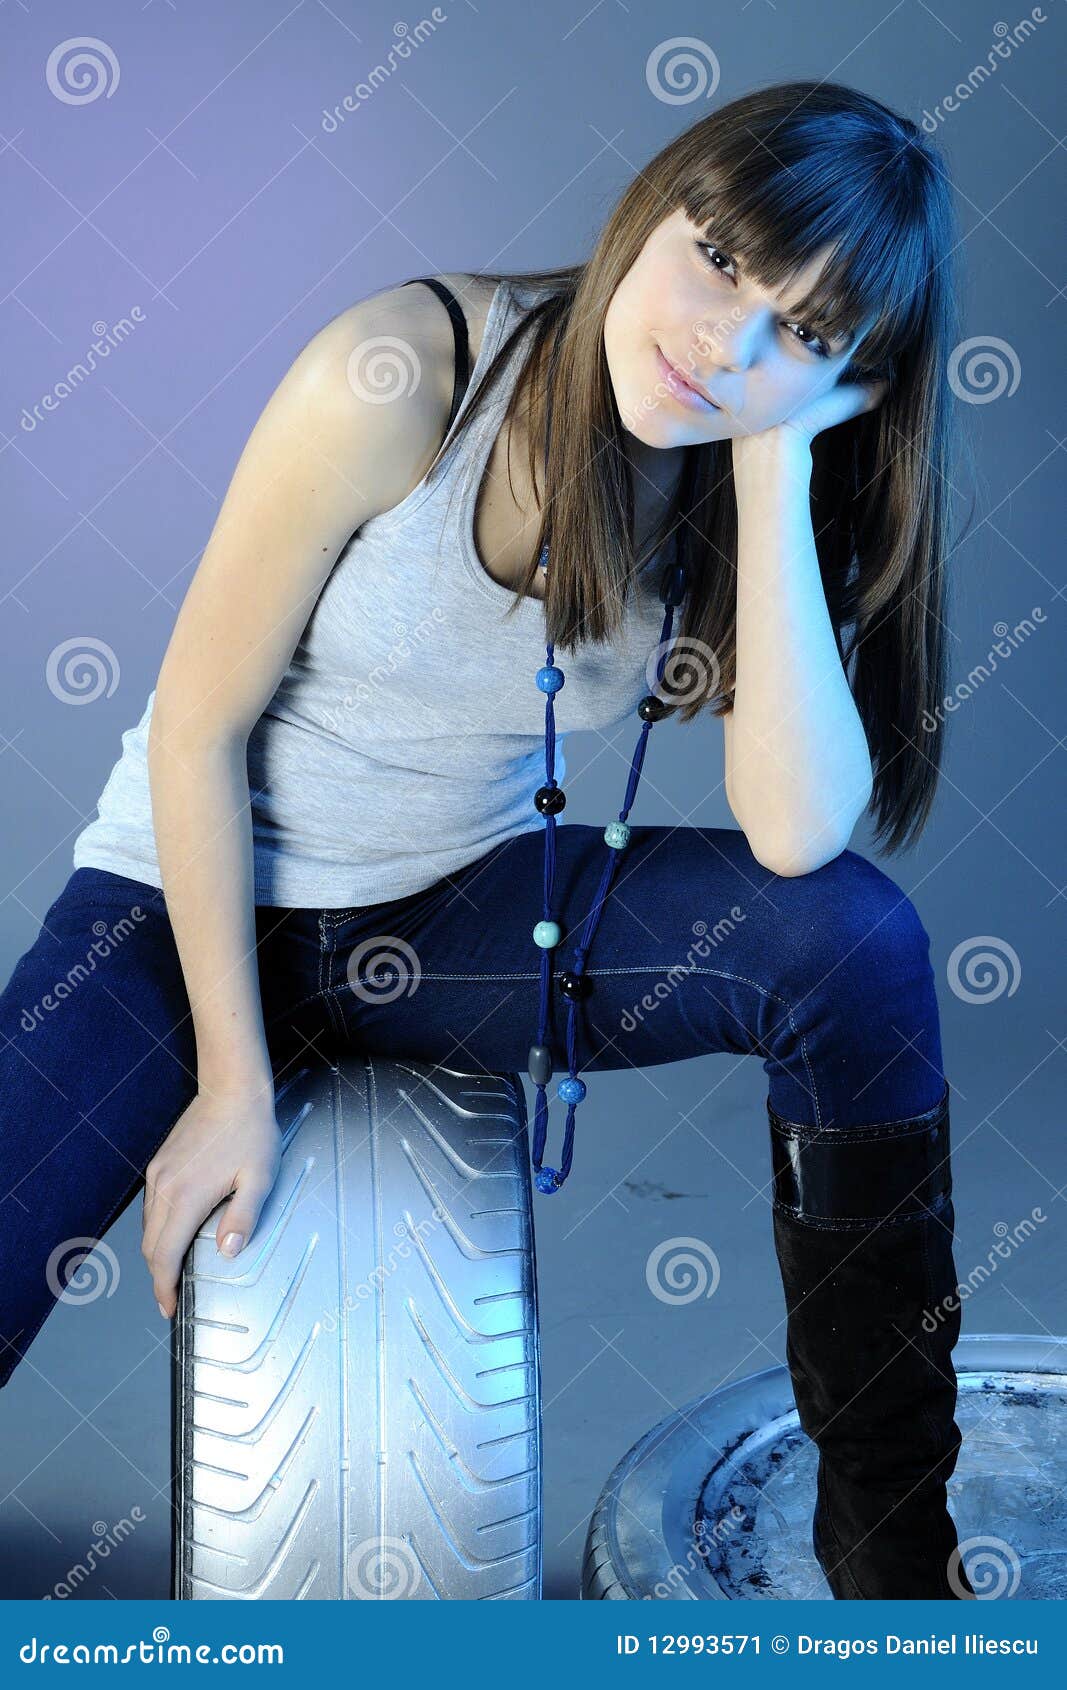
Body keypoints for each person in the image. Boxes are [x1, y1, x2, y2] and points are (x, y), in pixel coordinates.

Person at [0, 79, 977, 1599]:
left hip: (448, 921)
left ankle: (894, 1568)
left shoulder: (752, 460)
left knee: (855, 946)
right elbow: (196, 728)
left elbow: (797, 833)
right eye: (720, 260)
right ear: (655, 199)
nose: (728, 339)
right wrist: (234, 1082)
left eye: (807, 328)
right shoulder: (404, 370)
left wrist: (777, 463)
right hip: (178, 905)